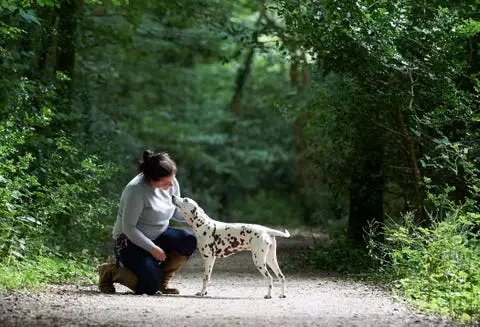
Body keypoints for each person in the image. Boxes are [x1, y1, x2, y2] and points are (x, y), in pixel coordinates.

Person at [98, 150, 197, 295]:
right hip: (129, 240)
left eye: (172, 179)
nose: (171, 185)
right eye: (165, 183)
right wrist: (152, 248)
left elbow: (173, 211)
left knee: (188, 240)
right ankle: (111, 271)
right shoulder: (136, 191)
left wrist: (193, 218)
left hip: (159, 233)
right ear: (151, 179)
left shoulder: (171, 181)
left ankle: (161, 279)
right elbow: (129, 228)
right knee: (148, 288)